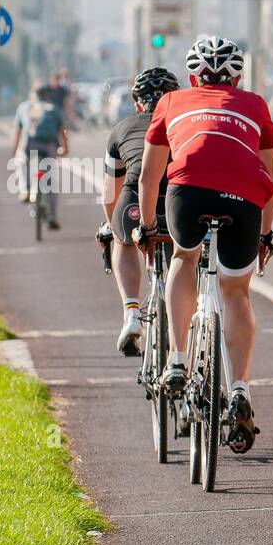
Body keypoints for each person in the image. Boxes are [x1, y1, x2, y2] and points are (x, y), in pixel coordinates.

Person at [137, 35, 273, 454]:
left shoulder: (170, 102)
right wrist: (266, 235)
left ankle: (177, 358)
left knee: (184, 255)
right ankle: (239, 389)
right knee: (235, 290)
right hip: (245, 198)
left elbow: (148, 177)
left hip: (189, 191)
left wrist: (146, 228)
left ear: (192, 75)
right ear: (237, 76)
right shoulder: (255, 105)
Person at [100, 67, 180, 356]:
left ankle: (132, 313)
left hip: (134, 197)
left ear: (137, 104)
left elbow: (110, 193)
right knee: (185, 254)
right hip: (175, 198)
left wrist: (113, 227)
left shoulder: (121, 128)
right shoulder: (182, 123)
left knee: (122, 241)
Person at [12, 82, 69, 229]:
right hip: (48, 145)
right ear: (46, 95)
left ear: (33, 95)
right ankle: (52, 216)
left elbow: (18, 132)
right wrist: (64, 148)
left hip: (29, 143)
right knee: (51, 182)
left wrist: (15, 150)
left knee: (21, 159)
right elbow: (62, 130)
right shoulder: (54, 108)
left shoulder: (24, 107)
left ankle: (25, 189)